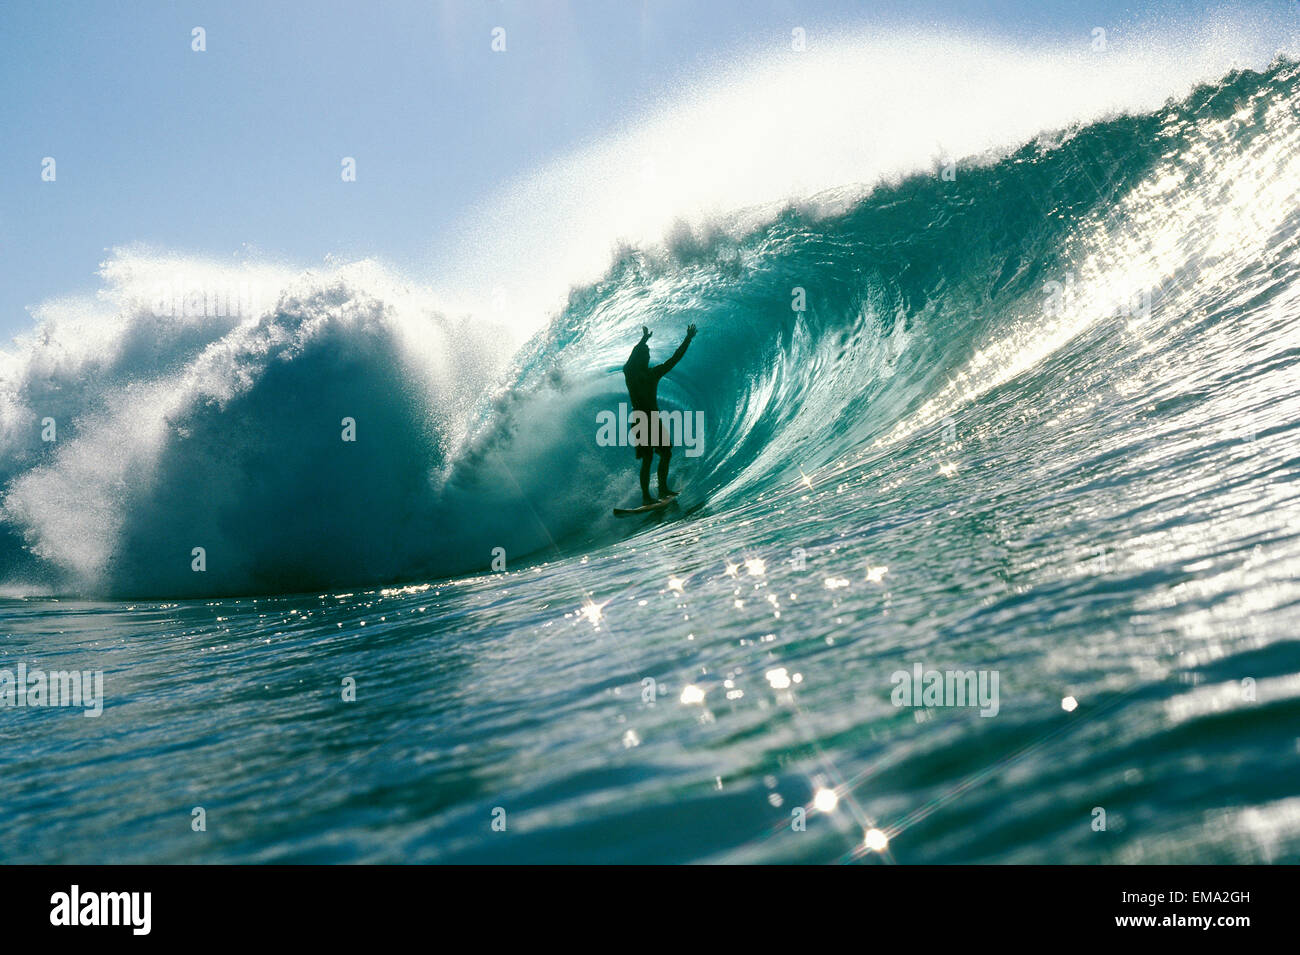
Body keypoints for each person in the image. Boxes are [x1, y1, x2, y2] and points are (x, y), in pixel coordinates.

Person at [623, 323, 697, 505]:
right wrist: (643, 340)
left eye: (648, 354)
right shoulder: (631, 374)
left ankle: (662, 488)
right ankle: (646, 497)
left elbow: (675, 359)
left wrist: (687, 339)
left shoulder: (653, 373)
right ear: (639, 357)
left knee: (665, 453)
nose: (648, 357)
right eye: (645, 354)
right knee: (647, 459)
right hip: (640, 419)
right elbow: (630, 361)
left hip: (653, 420)